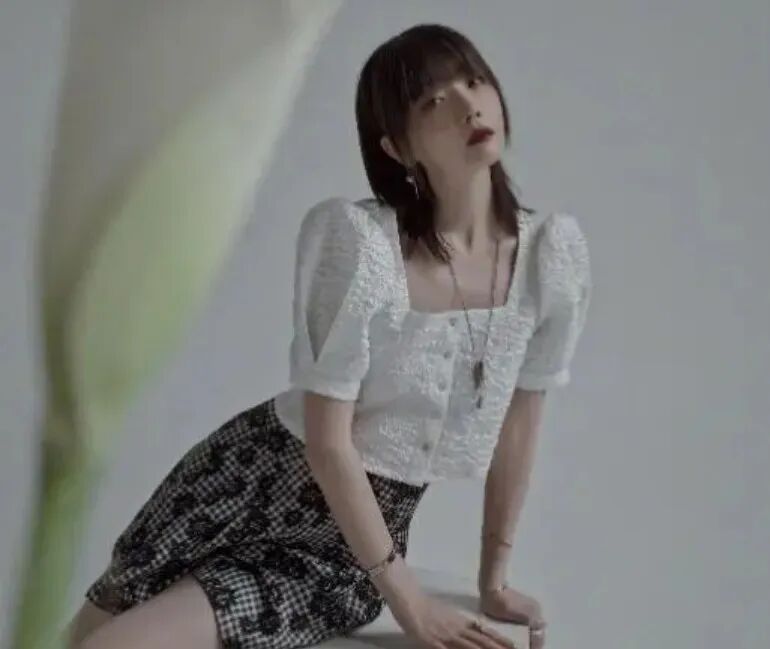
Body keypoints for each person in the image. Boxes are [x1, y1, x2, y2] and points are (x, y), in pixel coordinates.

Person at [66, 22, 591, 649]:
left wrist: (493, 579)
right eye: (433, 101)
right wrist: (412, 606)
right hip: (246, 481)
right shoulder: (361, 246)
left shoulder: (550, 258)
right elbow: (328, 442)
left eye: (475, 82)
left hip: (342, 550)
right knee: (82, 640)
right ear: (397, 148)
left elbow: (520, 424)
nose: (468, 105)